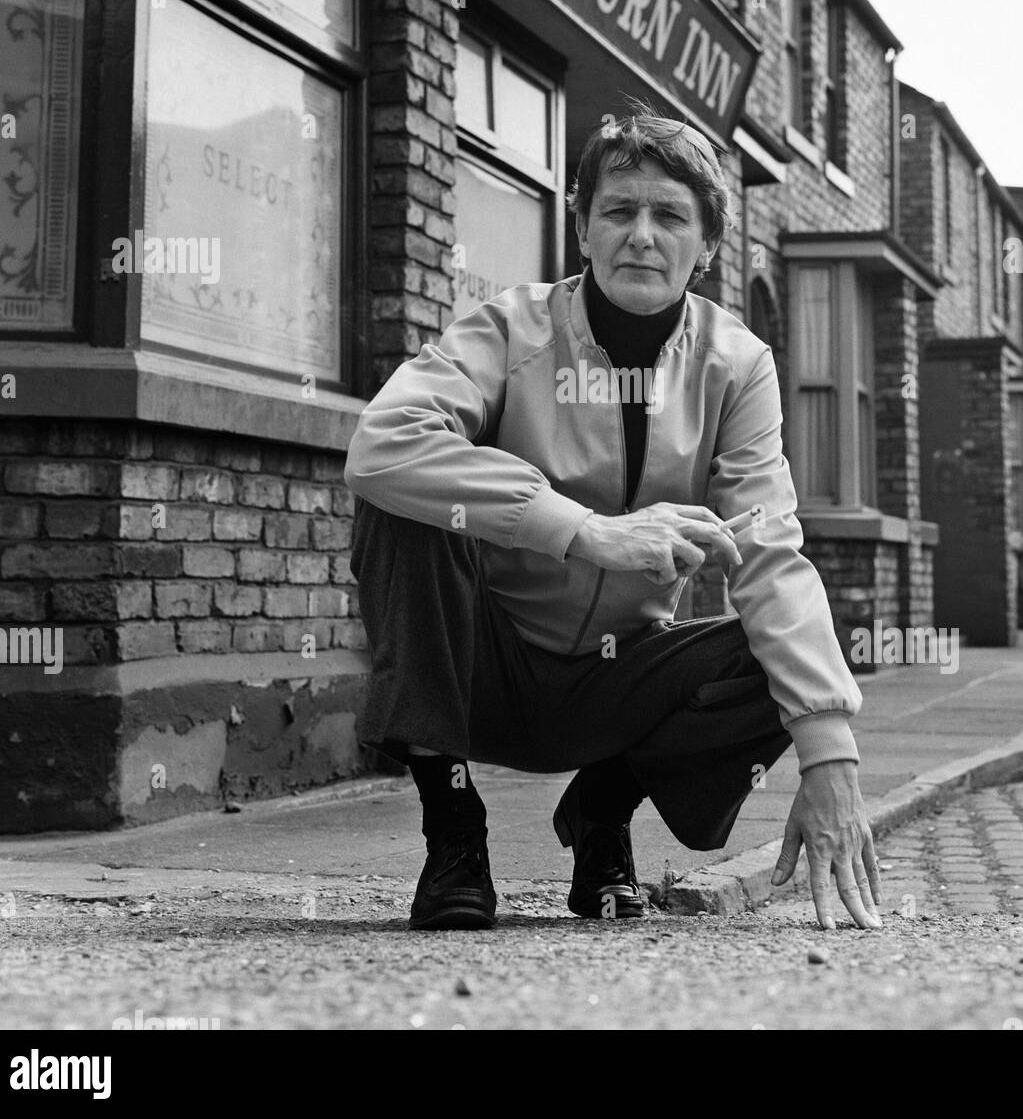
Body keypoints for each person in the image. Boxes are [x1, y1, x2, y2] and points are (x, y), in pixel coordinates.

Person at [345, 108, 883, 932]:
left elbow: (769, 552)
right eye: (618, 212)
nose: (641, 236)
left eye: (670, 217)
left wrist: (830, 753)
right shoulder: (510, 329)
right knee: (405, 509)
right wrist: (585, 531)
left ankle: (601, 811)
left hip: (613, 683)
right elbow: (381, 446)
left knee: (784, 649)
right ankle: (454, 829)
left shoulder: (737, 366)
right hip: (478, 666)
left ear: (705, 248)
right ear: (583, 228)